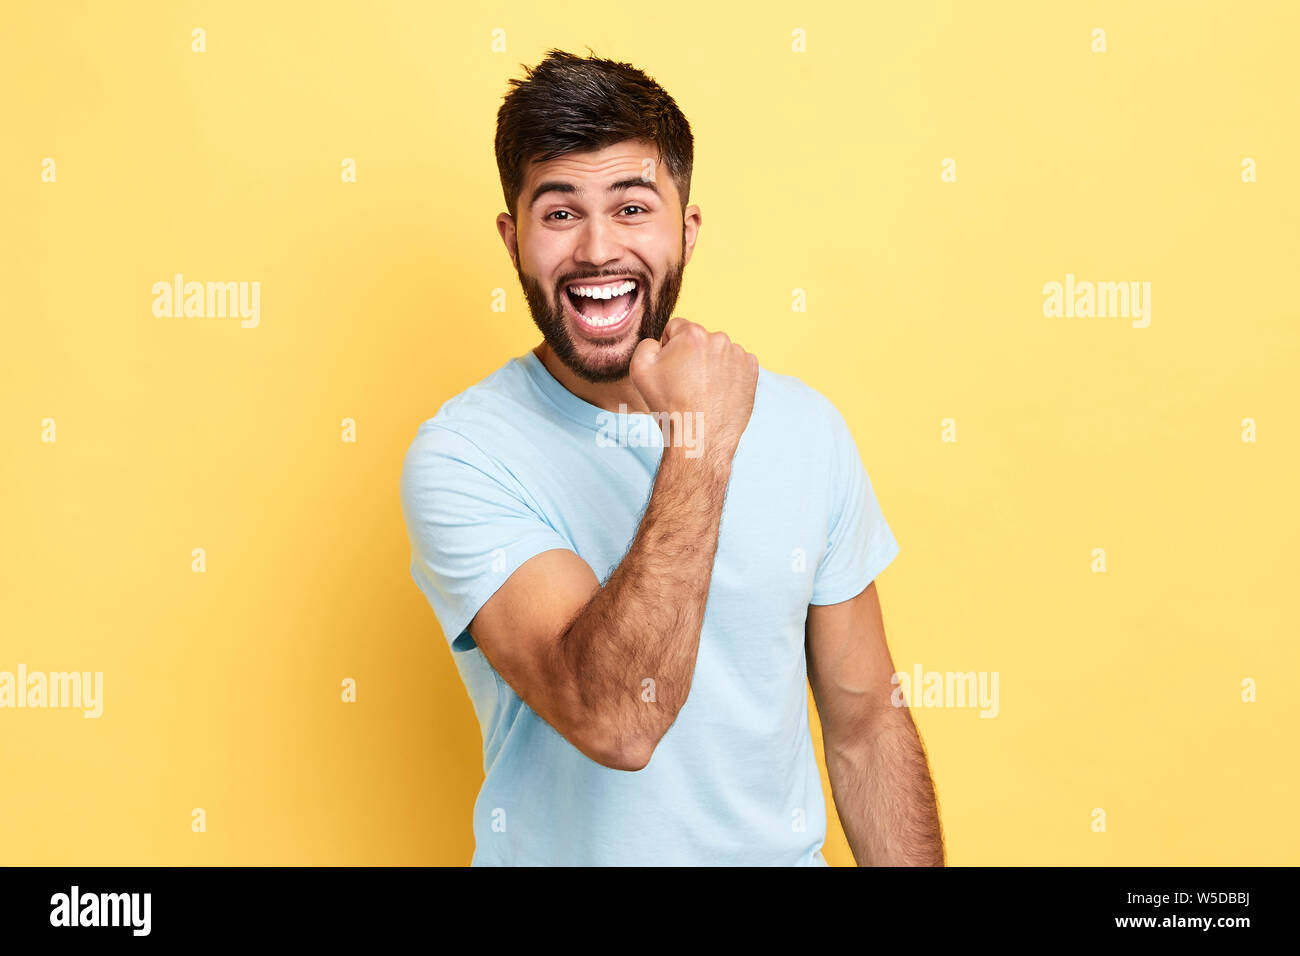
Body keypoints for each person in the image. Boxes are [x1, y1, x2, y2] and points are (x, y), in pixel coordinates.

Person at [400, 49, 944, 866]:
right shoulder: (465, 455)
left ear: (685, 229)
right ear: (514, 240)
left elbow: (865, 726)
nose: (595, 250)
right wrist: (701, 445)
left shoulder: (804, 428)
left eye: (631, 208)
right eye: (559, 214)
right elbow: (617, 722)